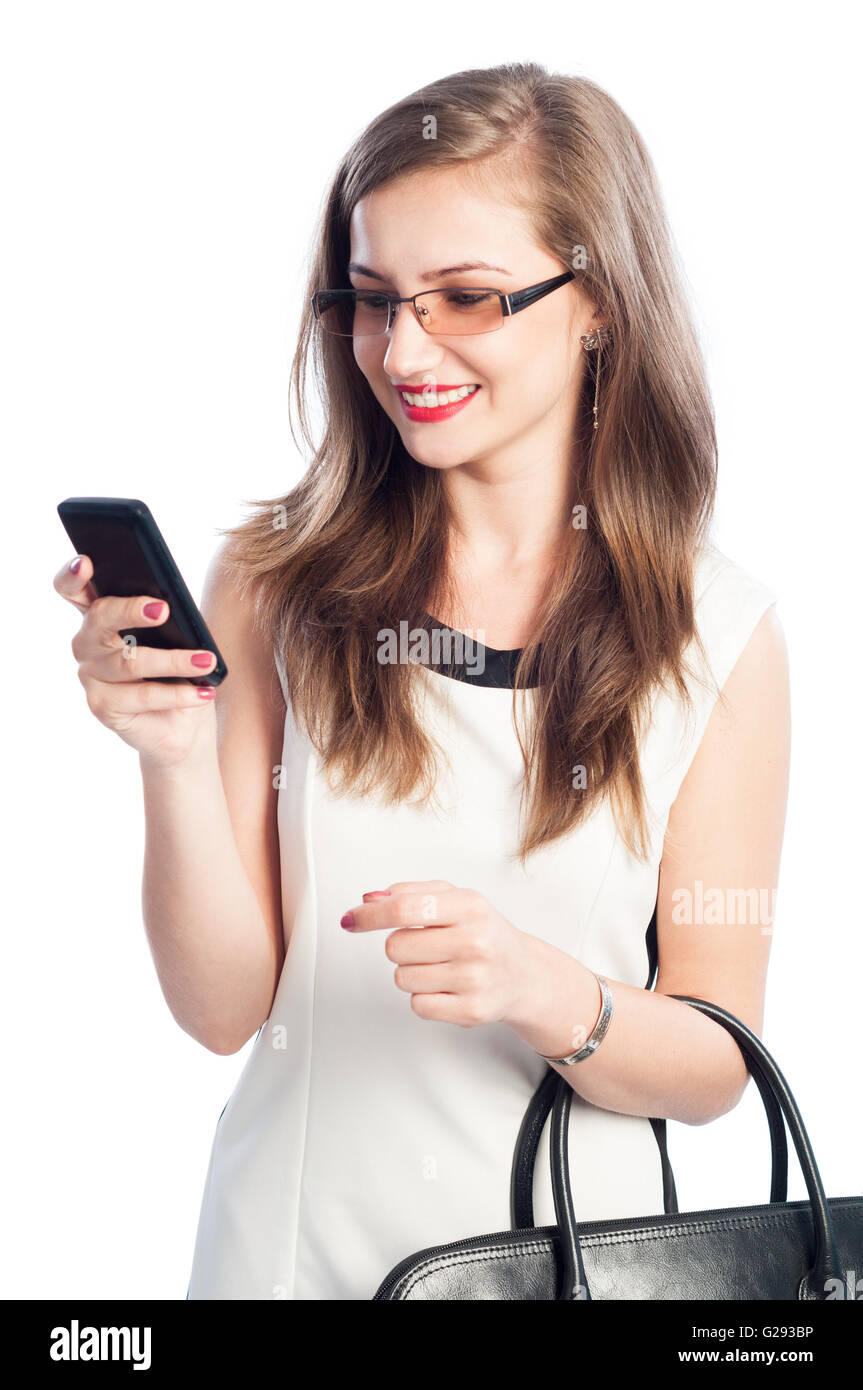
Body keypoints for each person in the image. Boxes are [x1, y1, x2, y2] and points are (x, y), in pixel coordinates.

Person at [54, 62, 790, 1301]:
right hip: (286, 1267)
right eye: (371, 296)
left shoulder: (716, 634)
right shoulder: (275, 582)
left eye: (465, 297)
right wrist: (173, 760)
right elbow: (226, 1009)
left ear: (596, 301)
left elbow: (721, 1057)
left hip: (568, 1276)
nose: (402, 349)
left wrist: (550, 992)